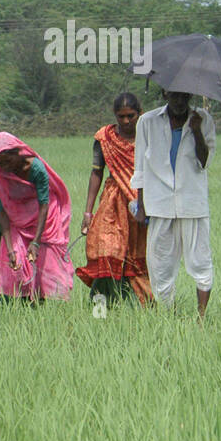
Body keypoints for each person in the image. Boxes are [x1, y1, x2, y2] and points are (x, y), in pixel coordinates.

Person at [131, 89, 215, 317]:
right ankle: (168, 316)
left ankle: (201, 317)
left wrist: (197, 131)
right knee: (160, 264)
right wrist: (140, 205)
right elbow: (140, 166)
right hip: (160, 203)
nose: (180, 101)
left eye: (185, 97)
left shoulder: (203, 120)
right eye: (175, 96)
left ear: (190, 97)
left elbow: (204, 162)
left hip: (192, 203)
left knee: (200, 261)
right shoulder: (147, 122)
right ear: (165, 94)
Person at [76, 93, 150, 305]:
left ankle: (137, 303)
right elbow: (96, 173)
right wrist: (88, 213)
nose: (126, 121)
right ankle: (104, 302)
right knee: (107, 250)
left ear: (140, 114)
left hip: (140, 202)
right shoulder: (105, 138)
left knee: (135, 254)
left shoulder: (149, 137)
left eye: (131, 116)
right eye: (121, 116)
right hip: (112, 201)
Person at [0, 133, 73, 302]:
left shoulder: (36, 168)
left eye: (8, 161)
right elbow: (2, 212)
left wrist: (36, 241)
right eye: (1, 163)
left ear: (17, 153)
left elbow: (44, 204)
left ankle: (52, 304)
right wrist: (10, 249)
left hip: (44, 219)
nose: (5, 167)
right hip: (16, 219)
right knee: (17, 262)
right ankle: (24, 302)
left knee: (48, 267)